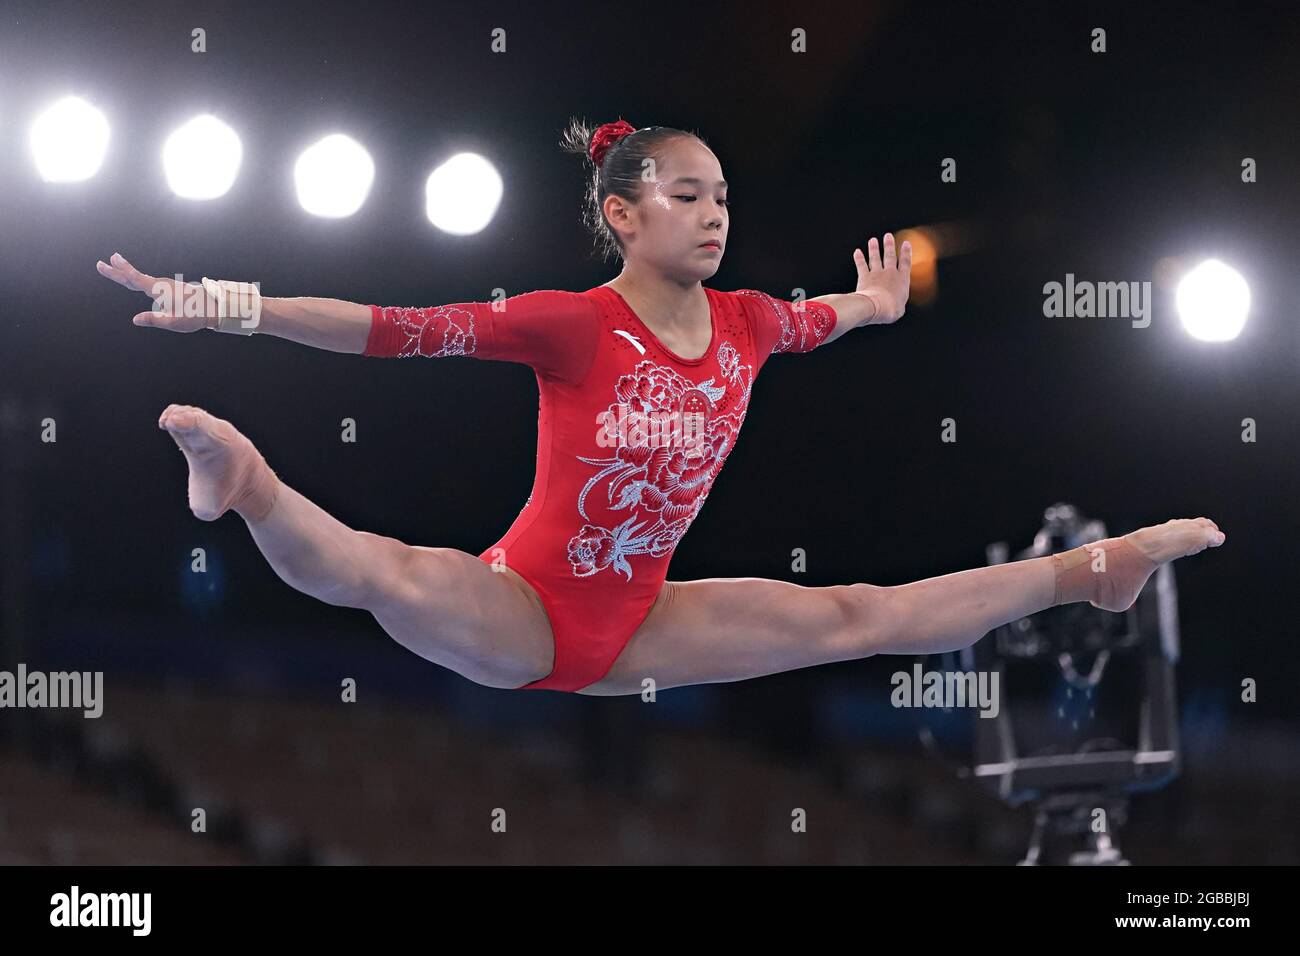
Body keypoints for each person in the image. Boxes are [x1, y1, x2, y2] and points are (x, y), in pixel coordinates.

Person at [95, 118, 1225, 695]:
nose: (713, 214)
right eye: (686, 195)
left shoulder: (746, 322)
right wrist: (225, 304)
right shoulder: (570, 323)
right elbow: (385, 325)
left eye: (723, 197)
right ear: (622, 214)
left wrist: (876, 304)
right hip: (523, 609)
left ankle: (1099, 565)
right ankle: (246, 482)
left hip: (642, 617)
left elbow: (822, 316)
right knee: (380, 570)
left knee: (857, 616)